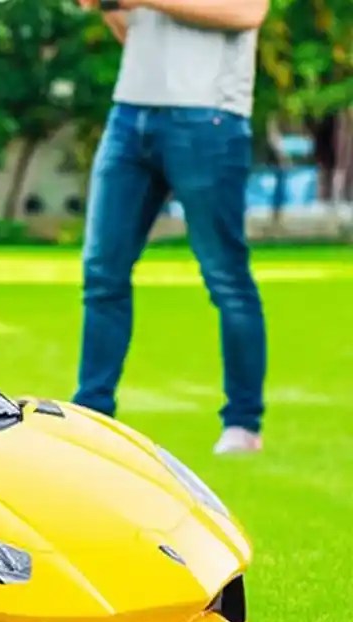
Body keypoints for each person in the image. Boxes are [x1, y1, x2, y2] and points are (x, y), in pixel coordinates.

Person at [73, 0, 271, 454]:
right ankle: (93, 415)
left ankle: (243, 424)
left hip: (208, 117)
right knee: (102, 273)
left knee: (225, 277)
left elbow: (248, 13)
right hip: (130, 113)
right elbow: (133, 34)